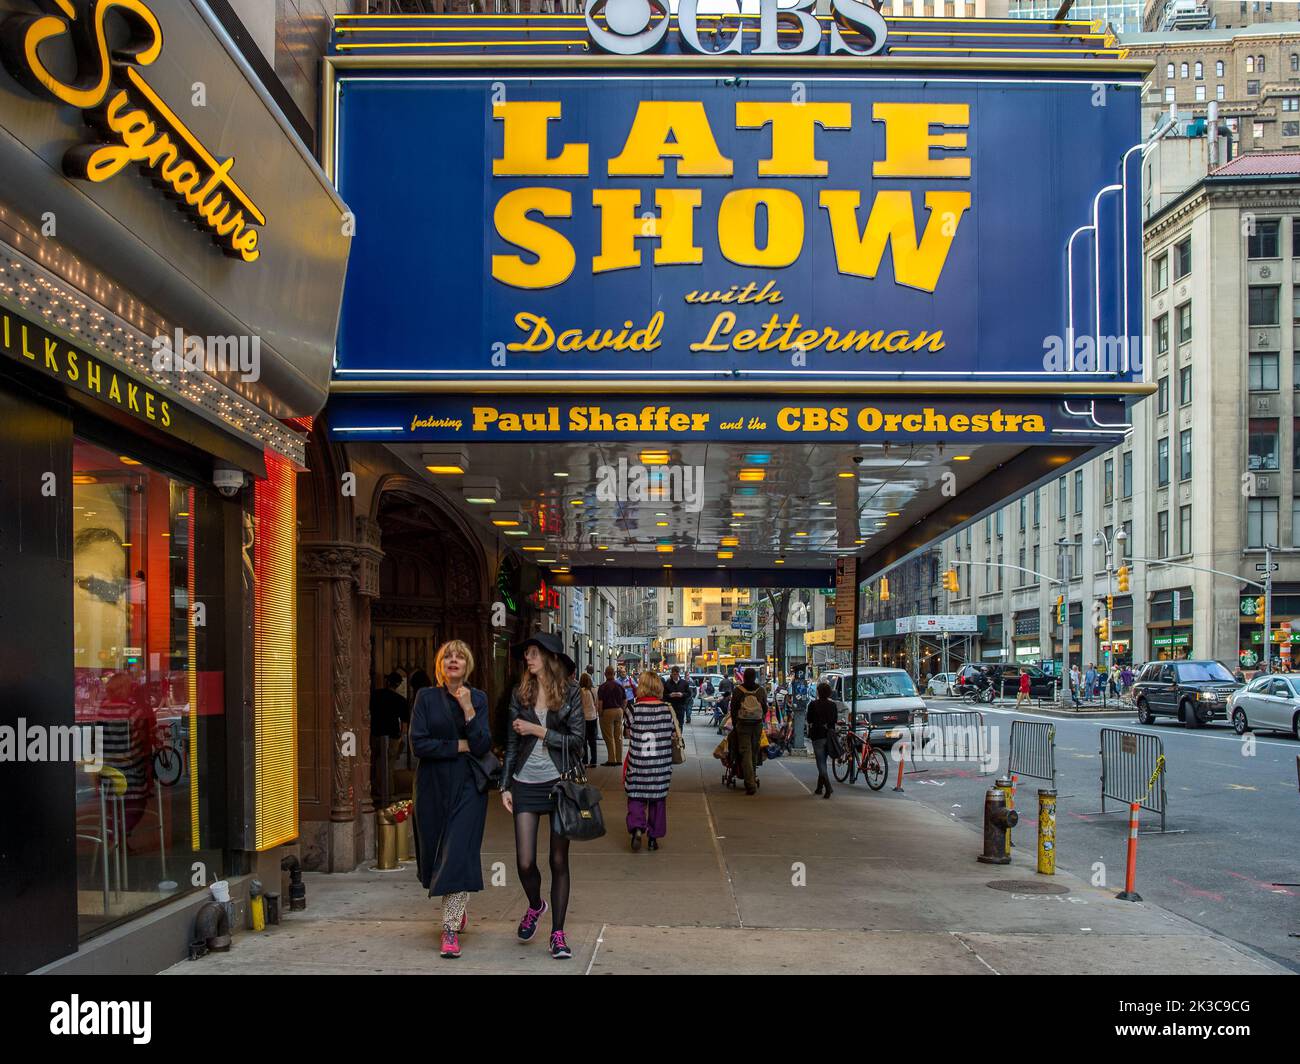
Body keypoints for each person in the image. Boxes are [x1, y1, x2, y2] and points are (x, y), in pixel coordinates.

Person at [500, 632, 585, 960]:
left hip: (560, 783)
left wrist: (538, 731)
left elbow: (577, 741)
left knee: (558, 860)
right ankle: (536, 905)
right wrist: (505, 785)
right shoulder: (519, 693)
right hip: (524, 782)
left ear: (550, 657)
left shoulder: (572, 692)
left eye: (534, 653)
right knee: (524, 862)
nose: (528, 658)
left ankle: (558, 934)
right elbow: (510, 743)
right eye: (526, 653)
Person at [409, 640, 492, 959]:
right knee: (436, 854)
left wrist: (469, 709)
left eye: (460, 657)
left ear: (467, 664)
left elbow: (483, 745)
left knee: (457, 851)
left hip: (469, 784)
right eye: (448, 657)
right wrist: (457, 746)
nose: (453, 661)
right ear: (440, 665)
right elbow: (419, 744)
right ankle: (457, 908)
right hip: (432, 786)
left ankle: (449, 928)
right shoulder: (426, 698)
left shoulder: (479, 698)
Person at [623, 670, 677, 851]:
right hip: (660, 766)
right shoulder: (667, 710)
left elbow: (627, 733)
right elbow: (672, 734)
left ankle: (637, 827)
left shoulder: (632, 709)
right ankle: (653, 838)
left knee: (636, 798)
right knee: (658, 801)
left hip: (638, 764)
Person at [369, 671, 407, 806]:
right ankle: (388, 793)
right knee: (388, 766)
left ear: (387, 682)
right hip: (392, 736)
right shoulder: (400, 700)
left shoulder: (375, 696)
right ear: (398, 685)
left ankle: (377, 791)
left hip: (375, 734)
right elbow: (404, 722)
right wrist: (401, 737)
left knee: (375, 763)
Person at [729, 667, 767, 795]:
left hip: (743, 725)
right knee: (754, 751)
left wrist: (735, 724)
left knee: (745, 752)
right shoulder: (761, 690)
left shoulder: (738, 690)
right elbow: (765, 708)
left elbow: (733, 709)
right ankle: (753, 776)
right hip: (757, 725)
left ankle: (750, 783)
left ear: (744, 677)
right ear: (755, 677)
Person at [807, 681, 838, 798]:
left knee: (820, 763)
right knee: (823, 761)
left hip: (817, 735)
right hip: (829, 736)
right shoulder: (833, 705)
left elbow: (809, 719)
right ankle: (819, 788)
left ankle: (828, 786)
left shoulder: (813, 705)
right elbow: (834, 720)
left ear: (819, 693)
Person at [597, 666, 626, 765]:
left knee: (609, 737)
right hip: (619, 711)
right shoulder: (620, 685)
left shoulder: (603, 687)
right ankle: (619, 759)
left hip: (607, 711)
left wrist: (600, 713)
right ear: (614, 674)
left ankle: (611, 759)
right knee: (618, 737)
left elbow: (600, 702)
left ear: (605, 674)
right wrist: (622, 709)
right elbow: (625, 700)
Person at [579, 671, 598, 766]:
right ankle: (594, 760)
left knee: (584, 740)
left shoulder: (582, 691)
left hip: (585, 718)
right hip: (593, 717)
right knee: (592, 740)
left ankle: (585, 760)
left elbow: (580, 705)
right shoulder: (594, 690)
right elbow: (596, 704)